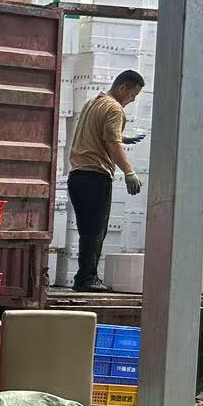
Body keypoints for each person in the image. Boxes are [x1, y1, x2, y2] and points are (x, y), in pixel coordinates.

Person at [66, 69, 147, 292]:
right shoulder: (114, 108)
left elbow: (98, 133)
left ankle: (84, 277)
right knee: (95, 231)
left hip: (77, 175)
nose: (132, 100)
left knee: (87, 230)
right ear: (123, 88)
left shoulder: (94, 102)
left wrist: (121, 137)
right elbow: (112, 144)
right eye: (133, 95)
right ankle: (87, 278)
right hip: (95, 176)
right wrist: (129, 172)